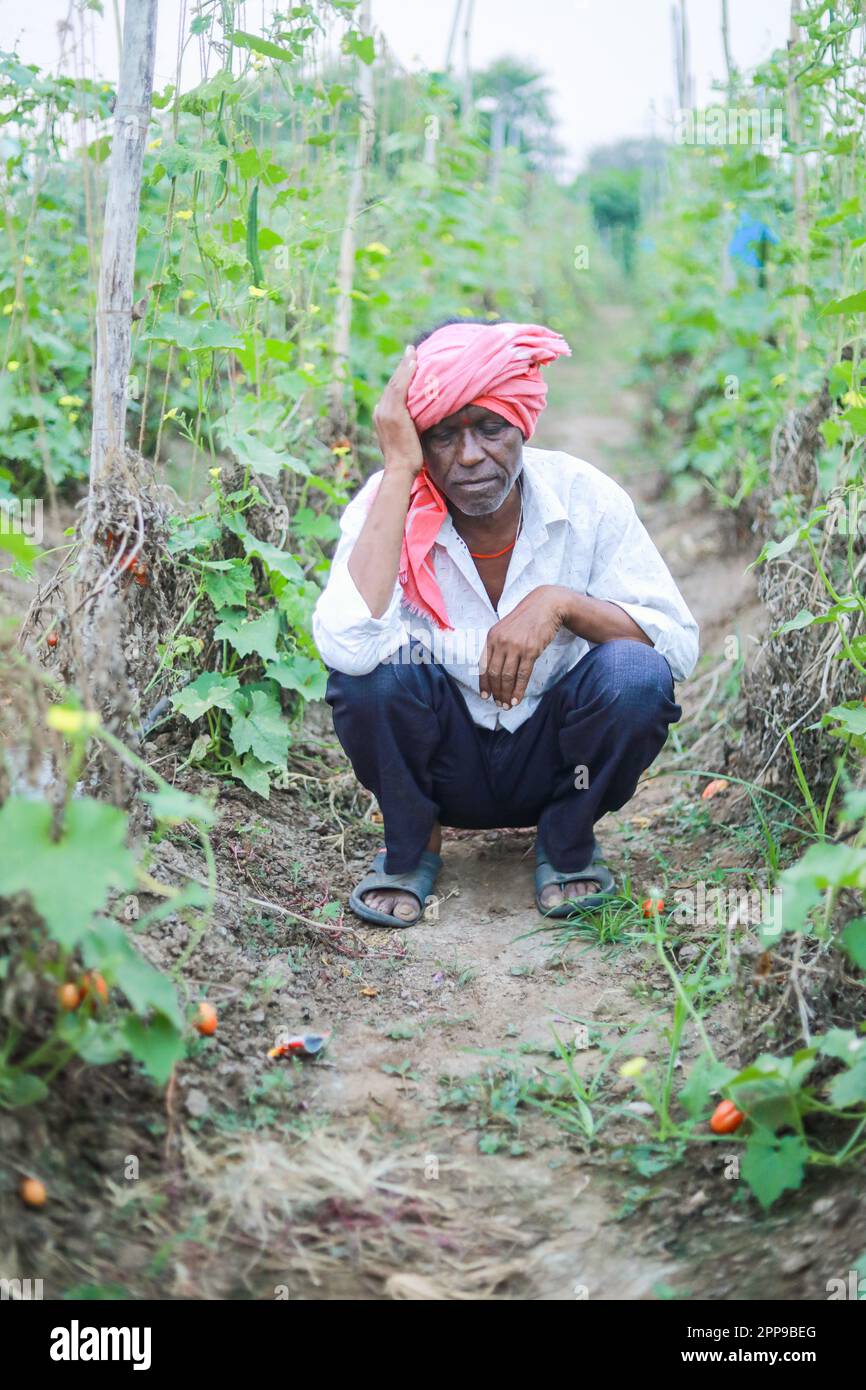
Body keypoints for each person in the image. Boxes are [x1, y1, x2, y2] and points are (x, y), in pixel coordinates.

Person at [313, 318, 699, 927]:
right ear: (417, 440)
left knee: (635, 673)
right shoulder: (390, 504)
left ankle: (567, 842)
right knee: (372, 678)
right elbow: (345, 646)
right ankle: (413, 847)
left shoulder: (585, 498)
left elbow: (676, 647)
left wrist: (561, 603)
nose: (470, 456)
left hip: (556, 766)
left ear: (521, 423)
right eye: (443, 436)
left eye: (490, 428)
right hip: (444, 767)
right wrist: (395, 473)